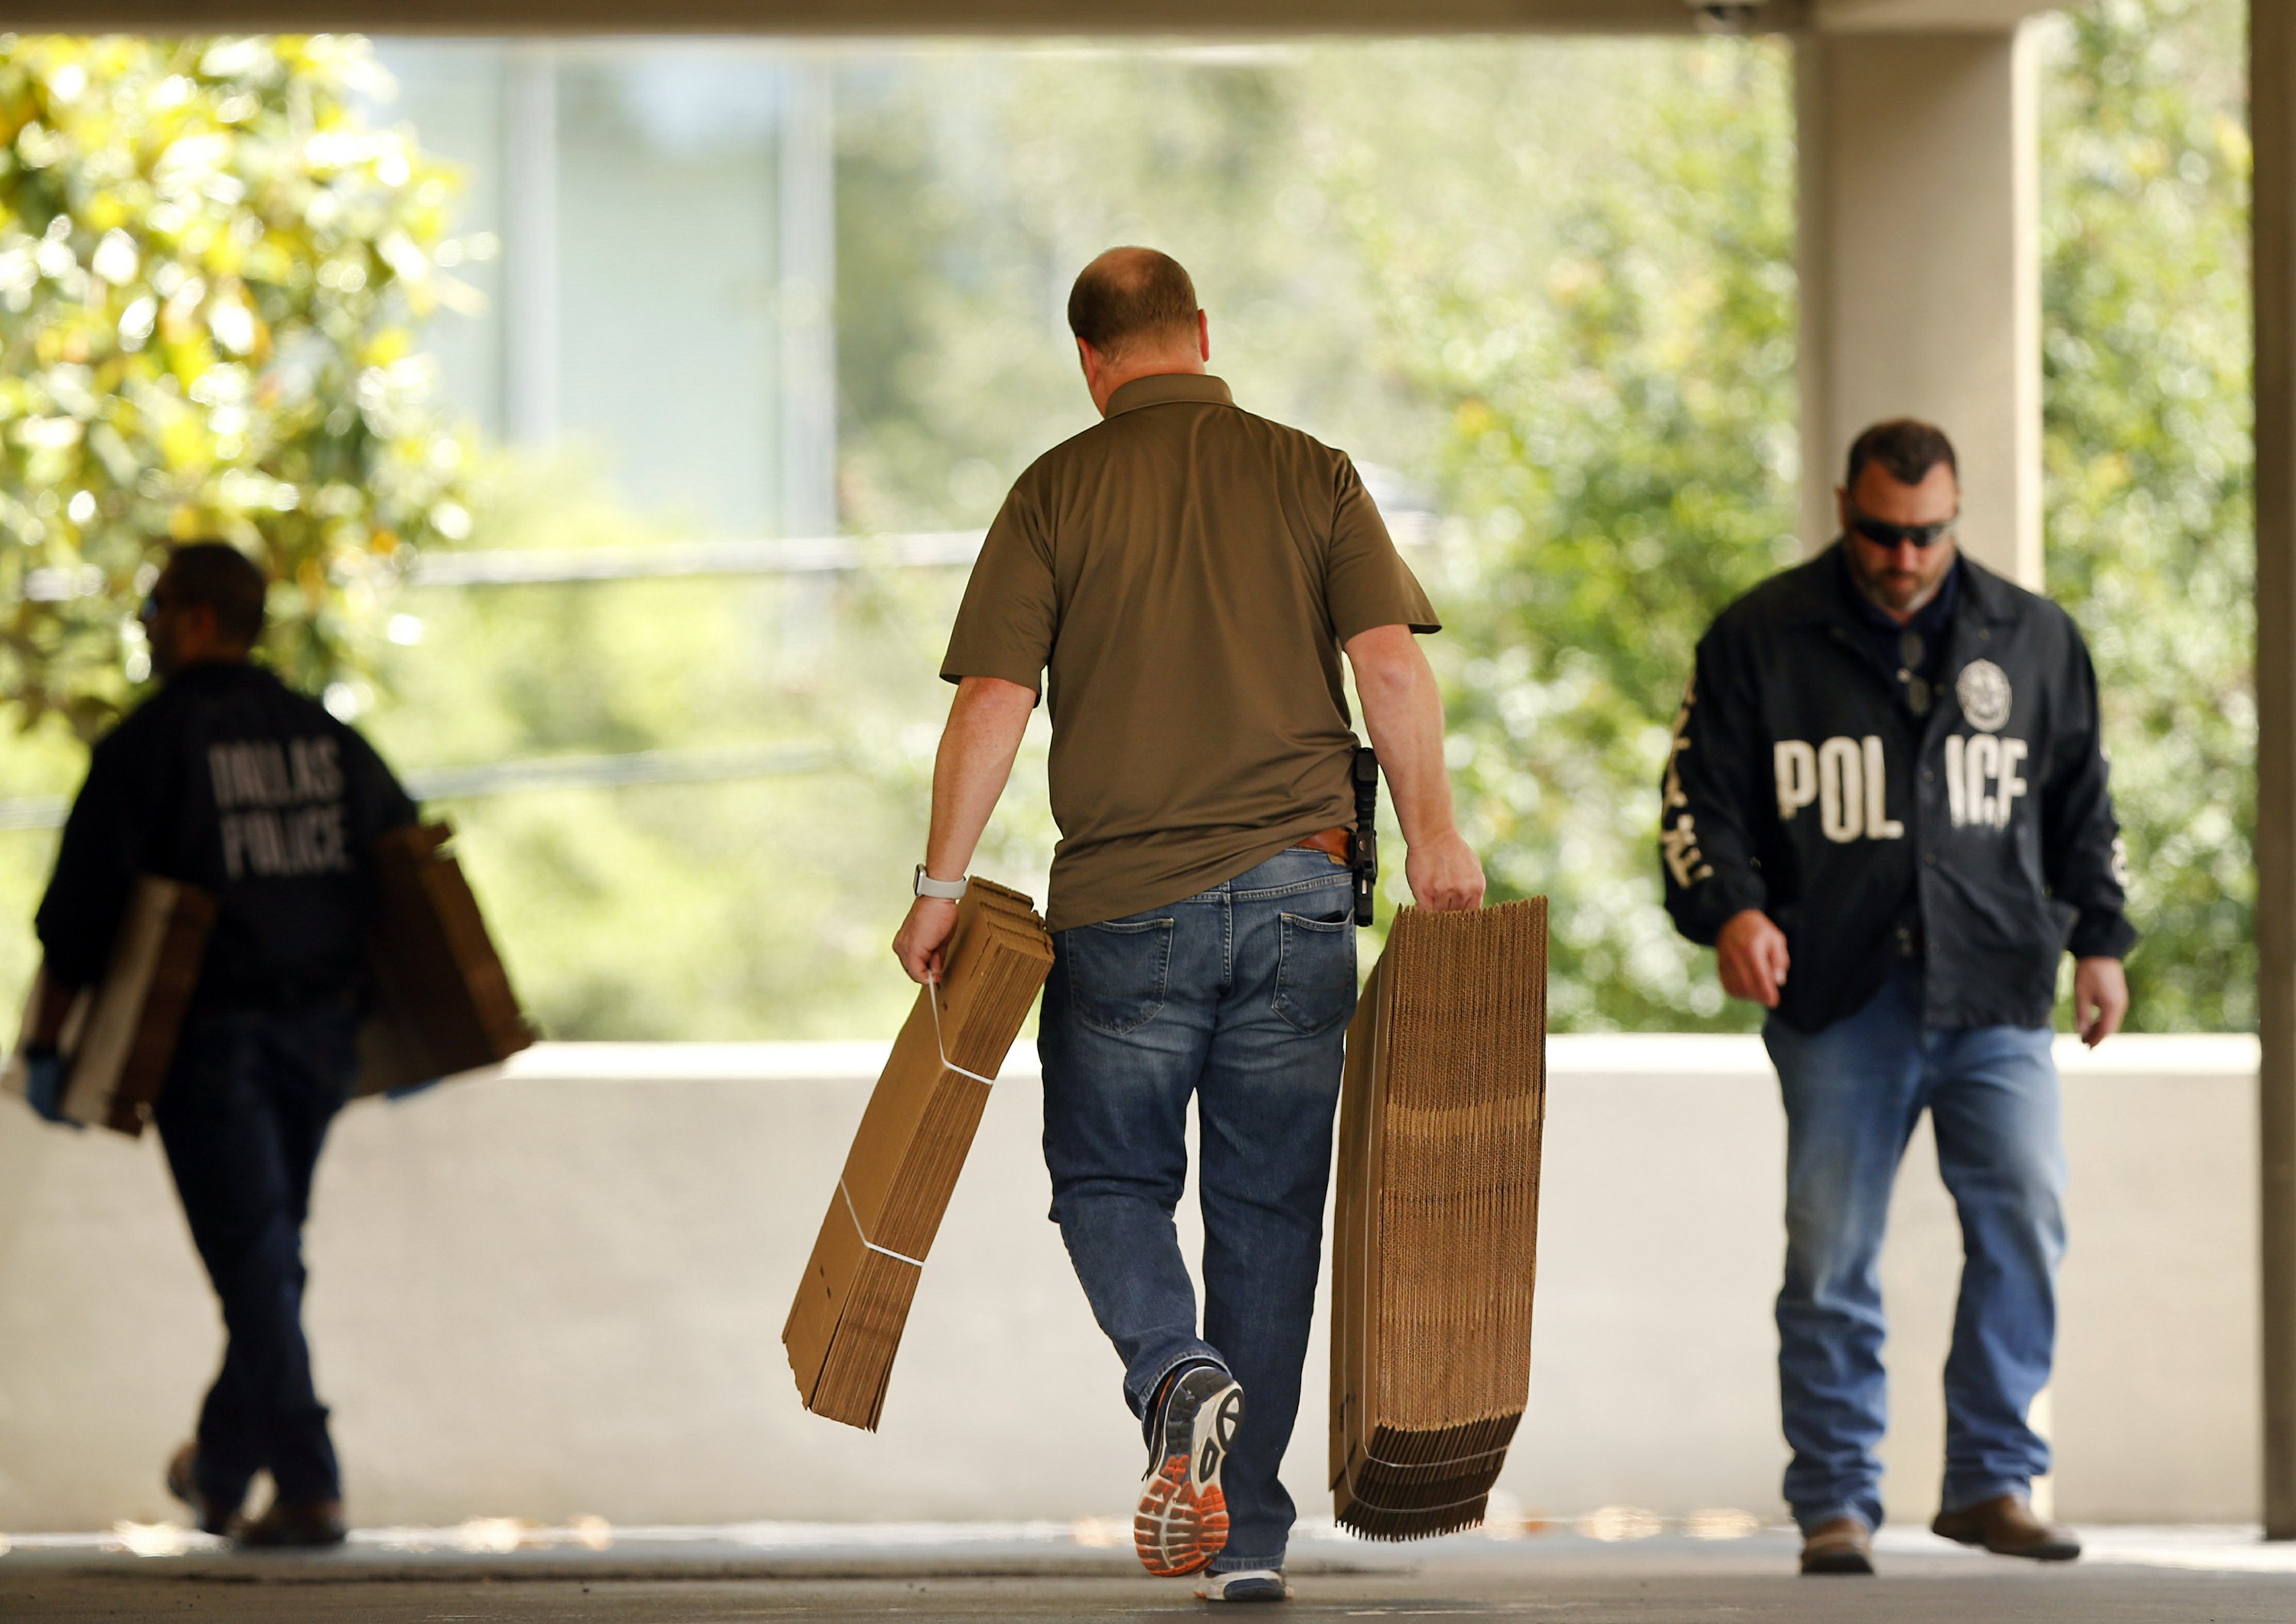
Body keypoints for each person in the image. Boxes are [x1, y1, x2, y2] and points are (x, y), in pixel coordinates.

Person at [892, 247, 1482, 1603]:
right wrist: (1438, 831)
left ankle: (1174, 1372)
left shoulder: (1054, 487)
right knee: (1268, 1214)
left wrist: (940, 887)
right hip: (1297, 899)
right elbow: (1388, 663)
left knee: (1108, 1185)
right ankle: (1251, 1540)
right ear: (1201, 334)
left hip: (1126, 913)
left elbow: (993, 700)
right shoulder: (1312, 469)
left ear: (1090, 359)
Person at [1659, 420, 2135, 1576]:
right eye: (1881, 531)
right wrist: (1732, 907)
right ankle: (1836, 1500)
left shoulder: (2034, 636)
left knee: (2024, 1217)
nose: (1905, 555)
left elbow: (2084, 806)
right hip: (1837, 991)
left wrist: (2103, 942)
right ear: (1842, 507)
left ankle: (1992, 1479)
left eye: (1927, 533)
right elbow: (1695, 804)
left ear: (1955, 515)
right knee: (1830, 1252)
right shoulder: (1760, 637)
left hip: (1996, 987)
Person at [21, 540, 418, 1547]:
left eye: (157, 606)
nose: (149, 625)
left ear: (198, 617)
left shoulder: (151, 746)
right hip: (324, 1035)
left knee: (258, 1258)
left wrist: (42, 1043)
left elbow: (78, 915)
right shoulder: (327, 738)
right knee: (268, 1254)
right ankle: (225, 1463)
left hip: (211, 1040)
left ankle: (309, 1480)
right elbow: (410, 863)